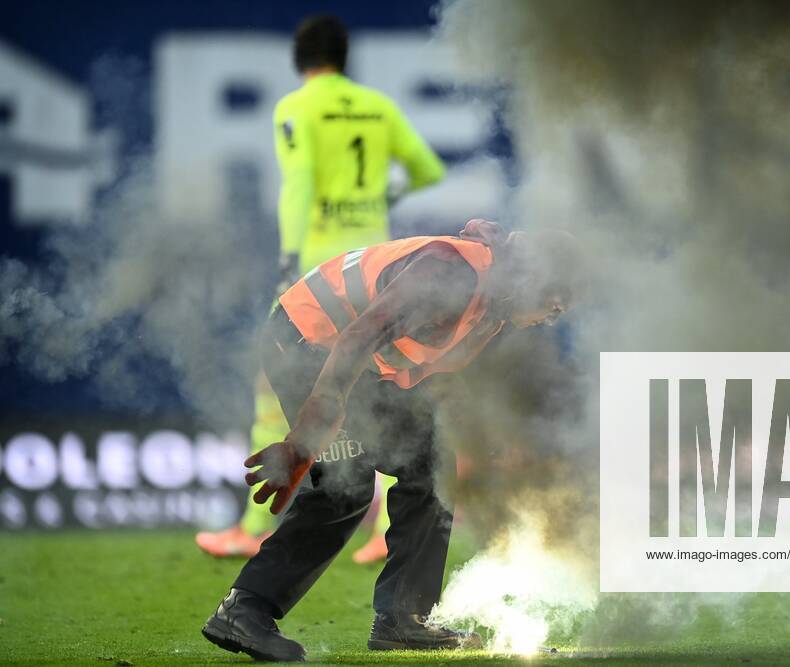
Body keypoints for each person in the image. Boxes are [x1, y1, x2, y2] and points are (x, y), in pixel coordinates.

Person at [201, 219, 583, 661]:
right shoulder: (452, 274)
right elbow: (358, 338)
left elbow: (443, 377)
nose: (548, 321)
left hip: (349, 359)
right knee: (346, 486)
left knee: (432, 463)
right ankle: (243, 610)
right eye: (555, 307)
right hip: (306, 342)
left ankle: (404, 620)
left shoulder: (492, 302)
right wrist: (305, 439)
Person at [196, 14, 445, 558]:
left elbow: (299, 186)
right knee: (381, 392)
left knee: (274, 386)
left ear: (299, 58)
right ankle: (384, 536)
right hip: (375, 267)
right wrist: (380, 198)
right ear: (345, 57)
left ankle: (253, 525)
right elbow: (427, 169)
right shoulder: (378, 107)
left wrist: (289, 259)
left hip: (319, 275)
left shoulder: (296, 107)